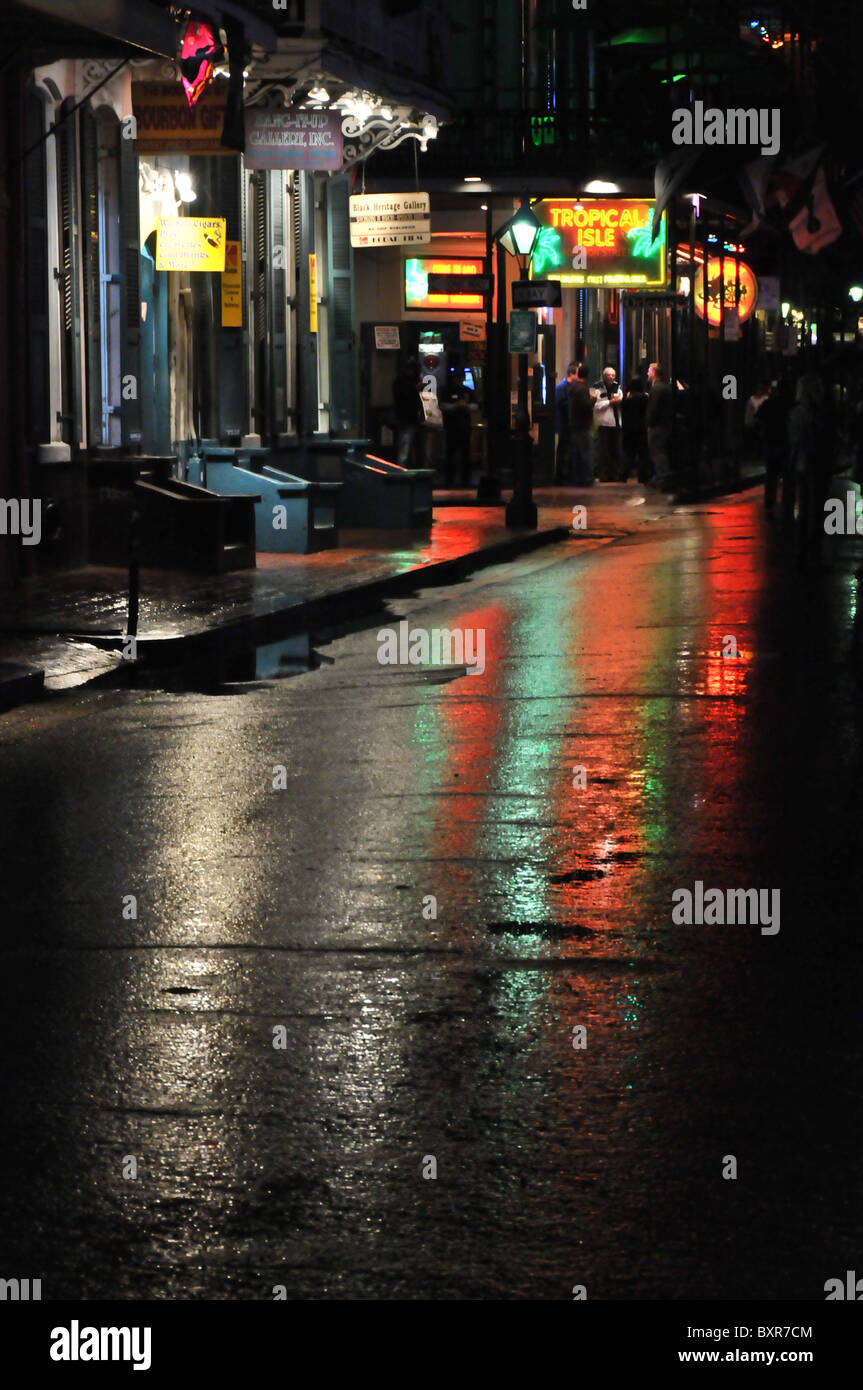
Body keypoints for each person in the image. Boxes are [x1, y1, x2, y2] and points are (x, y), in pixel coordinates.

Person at [787, 371, 833, 568]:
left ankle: (802, 552)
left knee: (805, 508)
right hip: (815, 462)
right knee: (814, 509)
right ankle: (813, 553)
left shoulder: (796, 412)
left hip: (801, 462)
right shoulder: (815, 413)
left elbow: (793, 439)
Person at [756, 378, 792, 519]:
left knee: (771, 475)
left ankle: (769, 503)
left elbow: (758, 420)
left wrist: (762, 433)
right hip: (786, 444)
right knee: (788, 476)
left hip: (771, 443)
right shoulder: (790, 404)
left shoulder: (768, 404)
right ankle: (787, 503)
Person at [440, 368, 473, 488]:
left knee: (464, 453)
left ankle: (465, 479)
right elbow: (442, 405)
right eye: (457, 378)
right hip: (452, 426)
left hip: (463, 426)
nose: (459, 380)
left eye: (461, 378)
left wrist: (466, 406)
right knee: (451, 453)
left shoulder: (467, 391)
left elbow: (475, 405)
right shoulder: (448, 391)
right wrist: (456, 406)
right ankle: (450, 479)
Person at [568, 364, 596, 485]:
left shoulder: (573, 387)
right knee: (586, 452)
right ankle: (587, 478)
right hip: (583, 424)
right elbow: (586, 406)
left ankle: (577, 478)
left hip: (575, 423)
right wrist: (593, 398)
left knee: (577, 452)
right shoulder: (582, 389)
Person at [646, 362, 673, 489]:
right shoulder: (663, 387)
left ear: (654, 373)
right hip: (663, 424)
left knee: (657, 451)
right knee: (659, 451)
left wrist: (649, 422)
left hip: (657, 426)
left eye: (649, 371)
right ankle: (660, 476)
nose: (647, 373)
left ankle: (663, 477)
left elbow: (653, 408)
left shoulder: (657, 388)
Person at [593, 365, 623, 481]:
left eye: (613, 375)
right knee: (603, 452)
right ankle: (603, 475)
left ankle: (614, 474)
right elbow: (595, 406)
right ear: (604, 376)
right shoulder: (597, 388)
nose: (611, 377)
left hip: (616, 423)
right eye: (609, 375)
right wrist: (609, 402)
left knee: (615, 450)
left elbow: (621, 400)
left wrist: (620, 402)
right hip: (603, 424)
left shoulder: (618, 388)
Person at [393, 357, 423, 467]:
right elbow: (404, 397)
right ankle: (404, 469)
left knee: (407, 446)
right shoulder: (404, 382)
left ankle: (406, 468)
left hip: (409, 417)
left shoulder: (401, 380)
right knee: (406, 446)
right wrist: (415, 389)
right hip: (408, 417)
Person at [620, 376, 650, 482]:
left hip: (628, 430)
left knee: (628, 454)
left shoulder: (626, 399)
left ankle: (623, 476)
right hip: (641, 429)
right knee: (642, 455)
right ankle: (643, 477)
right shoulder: (644, 398)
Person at [554, 361, 579, 482]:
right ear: (572, 374)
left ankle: (568, 474)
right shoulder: (561, 388)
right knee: (563, 449)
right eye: (577, 375)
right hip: (564, 423)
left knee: (569, 448)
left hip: (569, 423)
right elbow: (561, 403)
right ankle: (561, 475)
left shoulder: (570, 387)